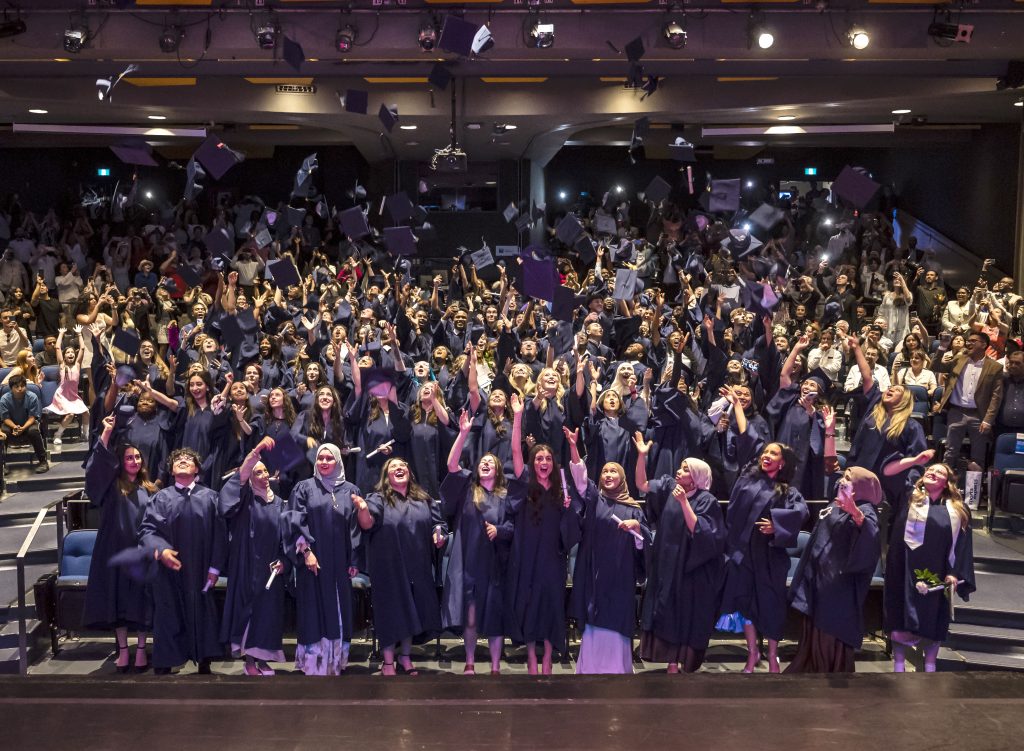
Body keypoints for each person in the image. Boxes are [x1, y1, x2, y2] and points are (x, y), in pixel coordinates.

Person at [633, 439, 726, 674]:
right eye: (681, 467)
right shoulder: (668, 486)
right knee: (666, 612)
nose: (679, 471)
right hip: (667, 564)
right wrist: (642, 456)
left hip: (691, 570)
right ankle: (671, 662)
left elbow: (701, 532)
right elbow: (642, 484)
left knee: (686, 614)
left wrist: (684, 502)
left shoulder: (707, 501)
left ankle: (684, 663)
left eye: (685, 469)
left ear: (696, 477)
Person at [717, 442, 809, 673]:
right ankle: (752, 653)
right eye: (765, 452)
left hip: (770, 555)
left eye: (773, 453)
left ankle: (773, 655)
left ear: (783, 462)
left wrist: (777, 525)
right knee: (746, 604)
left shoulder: (787, 491)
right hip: (744, 553)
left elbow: (802, 512)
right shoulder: (747, 480)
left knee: (771, 605)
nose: (767, 456)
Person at [564, 426, 649, 675]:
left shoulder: (634, 509)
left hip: (621, 579)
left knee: (617, 626)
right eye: (604, 471)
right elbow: (580, 479)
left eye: (613, 471)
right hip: (596, 578)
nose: (608, 475)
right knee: (595, 624)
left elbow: (644, 547)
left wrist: (638, 531)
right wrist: (573, 447)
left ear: (622, 478)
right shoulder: (594, 499)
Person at [441, 409, 520, 674]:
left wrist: (500, 531)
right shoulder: (466, 488)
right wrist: (463, 433)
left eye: (491, 461)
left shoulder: (506, 495)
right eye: (482, 461)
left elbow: (512, 526)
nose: (486, 463)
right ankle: (471, 661)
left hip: (496, 563)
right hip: (470, 562)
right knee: (471, 616)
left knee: (495, 618)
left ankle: (496, 667)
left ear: (498, 469)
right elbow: (452, 465)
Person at [139, 447, 227, 675]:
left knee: (203, 612)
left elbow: (220, 535)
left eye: (189, 459)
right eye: (178, 459)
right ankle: (167, 662)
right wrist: (161, 550)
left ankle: (204, 660)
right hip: (169, 573)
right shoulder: (160, 498)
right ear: (171, 469)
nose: (183, 461)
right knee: (169, 614)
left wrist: (215, 567)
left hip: (201, 570)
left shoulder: (210, 498)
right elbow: (148, 530)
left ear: (197, 469)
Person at [786, 467, 883, 673]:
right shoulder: (837, 502)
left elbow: (869, 532)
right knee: (814, 627)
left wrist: (855, 513)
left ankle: (828, 669)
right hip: (819, 579)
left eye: (848, 478)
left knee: (829, 629)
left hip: (838, 586)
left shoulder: (865, 509)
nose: (842, 481)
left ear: (861, 486)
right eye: (844, 477)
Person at [507, 393, 577, 674]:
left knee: (551, 606)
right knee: (530, 605)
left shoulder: (561, 491)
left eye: (548, 458)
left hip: (552, 559)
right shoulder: (525, 483)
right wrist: (517, 416)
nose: (544, 461)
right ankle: (533, 657)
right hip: (527, 557)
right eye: (539, 458)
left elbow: (568, 530)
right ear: (533, 462)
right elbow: (514, 452)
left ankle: (548, 656)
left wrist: (568, 508)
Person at [358, 456, 447, 676]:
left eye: (403, 465)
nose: (399, 468)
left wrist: (439, 533)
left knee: (412, 610)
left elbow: (439, 524)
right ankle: (388, 662)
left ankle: (405, 658)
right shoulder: (378, 499)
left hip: (417, 565)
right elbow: (367, 523)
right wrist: (361, 508)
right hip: (388, 567)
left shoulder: (424, 499)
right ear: (386, 476)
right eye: (393, 467)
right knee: (391, 611)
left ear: (409, 472)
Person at [884, 463, 976, 672]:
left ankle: (930, 666)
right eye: (929, 470)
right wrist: (916, 458)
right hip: (904, 569)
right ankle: (899, 666)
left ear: (947, 483)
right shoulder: (909, 497)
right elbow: (887, 471)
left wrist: (954, 573)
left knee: (933, 619)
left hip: (938, 572)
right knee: (901, 616)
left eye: (939, 472)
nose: (932, 473)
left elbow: (963, 545)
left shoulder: (958, 510)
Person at [83, 414, 157, 673]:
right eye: (129, 457)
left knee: (140, 604)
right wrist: (105, 433)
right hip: (114, 551)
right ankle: (123, 650)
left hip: (141, 555)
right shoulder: (111, 485)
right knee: (117, 603)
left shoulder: (149, 489)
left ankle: (140, 650)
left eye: (137, 457)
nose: (134, 461)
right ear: (121, 462)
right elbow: (96, 469)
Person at [286, 443, 364, 676]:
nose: (324, 462)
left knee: (338, 609)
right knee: (313, 608)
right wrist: (307, 552)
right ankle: (313, 663)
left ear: (338, 461)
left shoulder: (351, 490)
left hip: (340, 562)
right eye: (321, 458)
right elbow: (295, 519)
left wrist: (354, 560)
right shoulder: (304, 488)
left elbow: (355, 529)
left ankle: (335, 661)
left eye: (330, 458)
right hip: (313, 562)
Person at [219, 436, 289, 676]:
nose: (262, 476)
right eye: (257, 472)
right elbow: (237, 480)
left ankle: (263, 658)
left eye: (265, 471)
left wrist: (284, 560)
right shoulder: (245, 499)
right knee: (248, 610)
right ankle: (249, 660)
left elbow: (286, 537)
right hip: (247, 564)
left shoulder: (280, 503)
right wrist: (256, 451)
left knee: (268, 614)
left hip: (271, 567)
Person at [933, 331, 1003, 472]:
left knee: (978, 456)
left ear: (983, 345)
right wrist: (942, 347)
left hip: (979, 416)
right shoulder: (959, 359)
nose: (969, 343)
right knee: (950, 453)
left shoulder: (995, 367)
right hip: (956, 412)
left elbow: (996, 396)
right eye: (968, 341)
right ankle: (945, 487)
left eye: (973, 341)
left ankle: (974, 491)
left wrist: (988, 420)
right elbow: (936, 367)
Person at [43, 325, 90, 445]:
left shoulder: (77, 365)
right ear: (64, 356)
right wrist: (61, 334)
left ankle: (85, 435)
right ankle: (58, 434)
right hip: (62, 395)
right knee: (70, 415)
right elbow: (58, 347)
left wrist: (79, 334)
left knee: (86, 413)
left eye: (72, 352)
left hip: (73, 396)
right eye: (67, 352)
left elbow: (83, 348)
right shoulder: (62, 365)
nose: (70, 354)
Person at [0, 374, 48, 473]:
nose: (20, 389)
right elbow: (5, 418)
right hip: (11, 426)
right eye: (16, 386)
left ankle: (43, 461)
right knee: (3, 432)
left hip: (28, 425)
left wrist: (22, 428)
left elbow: (32, 417)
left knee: (34, 431)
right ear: (11, 388)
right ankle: (2, 465)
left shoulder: (32, 397)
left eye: (22, 386)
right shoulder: (4, 399)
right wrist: (15, 427)